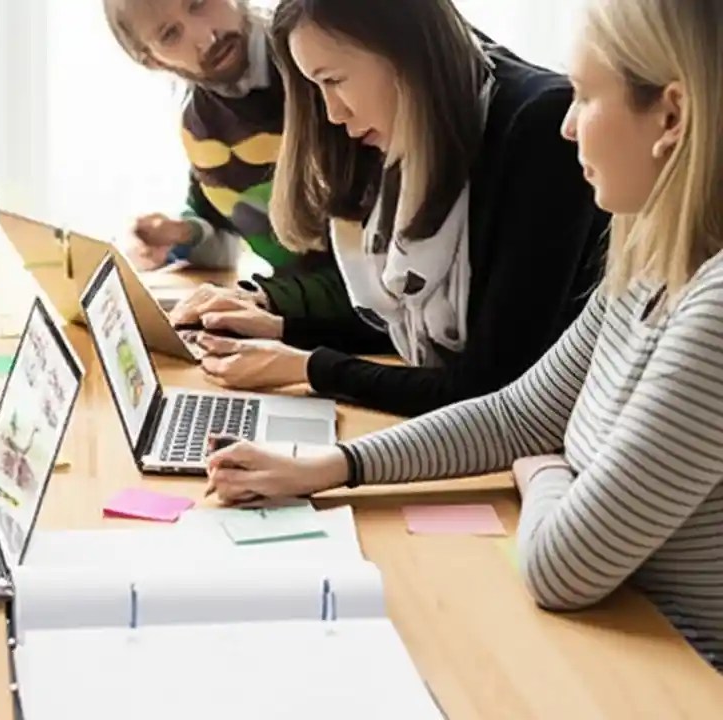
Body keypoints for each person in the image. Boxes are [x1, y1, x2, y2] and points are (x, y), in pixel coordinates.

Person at [206, 0, 723, 672]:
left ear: (672, 118)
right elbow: (520, 413)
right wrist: (333, 468)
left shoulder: (714, 307)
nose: (568, 125)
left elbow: (563, 565)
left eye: (587, 98)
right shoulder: (650, 258)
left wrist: (546, 469)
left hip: (680, 667)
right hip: (623, 632)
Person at [189, 0, 609, 417]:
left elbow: (492, 384)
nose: (333, 113)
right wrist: (285, 330)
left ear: (404, 51)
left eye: (333, 79)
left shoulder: (540, 129)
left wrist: (308, 368)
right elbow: (412, 326)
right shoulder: (402, 130)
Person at [103, 0, 385, 351]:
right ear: (152, 59)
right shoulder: (200, 124)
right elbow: (227, 232)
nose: (206, 37)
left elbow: (382, 280)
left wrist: (260, 298)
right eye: (169, 34)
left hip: (369, 336)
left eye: (200, 3)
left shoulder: (324, 73)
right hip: (296, 333)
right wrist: (183, 235)